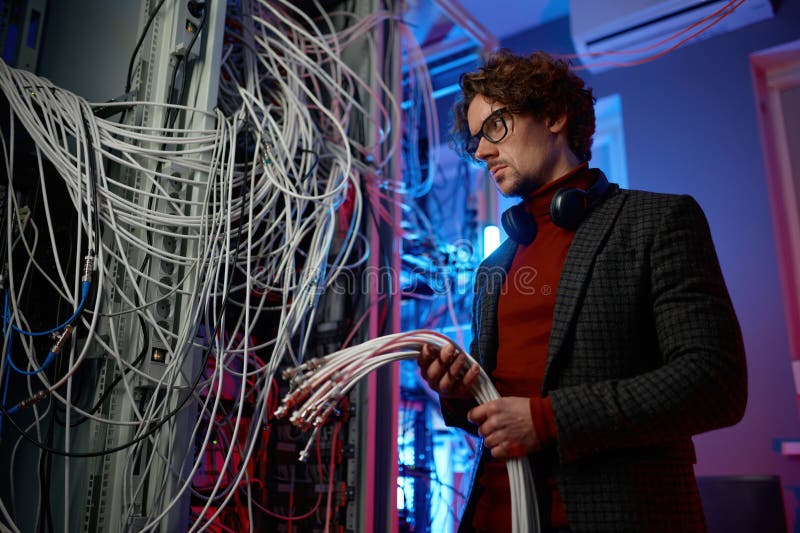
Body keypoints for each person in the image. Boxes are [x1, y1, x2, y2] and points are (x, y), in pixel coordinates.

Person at [417, 49, 747, 532]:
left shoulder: (656, 222)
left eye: (495, 127)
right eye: (475, 142)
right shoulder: (494, 267)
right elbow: (498, 414)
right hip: (493, 514)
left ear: (553, 114)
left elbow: (715, 383)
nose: (482, 152)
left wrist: (549, 420)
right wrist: (458, 392)